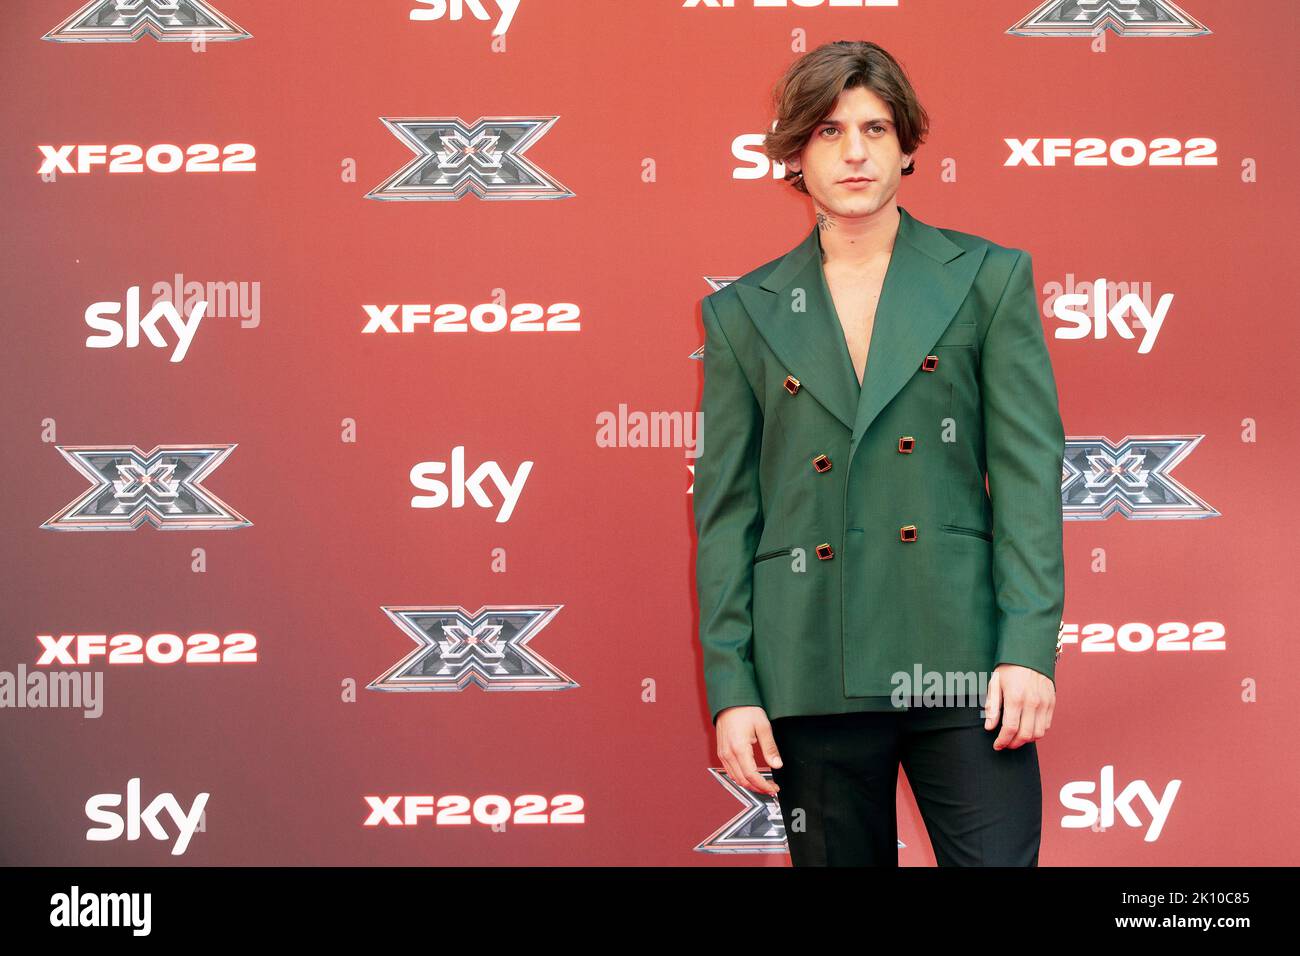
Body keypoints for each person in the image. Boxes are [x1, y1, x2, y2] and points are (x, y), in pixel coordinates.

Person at [692, 40, 1066, 866]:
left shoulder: (988, 279)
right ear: (795, 153)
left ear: (907, 146)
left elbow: (1029, 475)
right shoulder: (741, 313)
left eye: (874, 127)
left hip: (961, 661)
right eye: (827, 132)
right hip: (812, 664)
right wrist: (733, 688)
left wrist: (1027, 651)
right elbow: (726, 513)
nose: (854, 152)